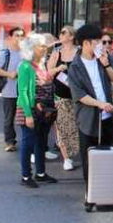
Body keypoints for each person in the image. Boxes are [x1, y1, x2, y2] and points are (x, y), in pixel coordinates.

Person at [68, 24, 113, 185]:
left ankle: (108, 191)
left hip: (108, 116)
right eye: (97, 41)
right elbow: (80, 95)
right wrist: (100, 104)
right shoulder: (75, 66)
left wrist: (106, 65)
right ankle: (91, 192)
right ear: (86, 43)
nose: (100, 45)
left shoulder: (105, 58)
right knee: (90, 157)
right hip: (88, 118)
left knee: (108, 155)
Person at [16, 33, 59, 188]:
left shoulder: (40, 64)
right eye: (41, 46)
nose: (45, 48)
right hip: (29, 110)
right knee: (28, 143)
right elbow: (23, 92)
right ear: (32, 48)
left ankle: (40, 173)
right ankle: (26, 176)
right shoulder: (25, 66)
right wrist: (28, 115)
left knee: (41, 142)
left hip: (43, 111)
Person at [47, 25, 80, 171]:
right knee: (60, 126)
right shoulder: (56, 52)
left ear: (71, 36)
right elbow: (48, 73)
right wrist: (58, 69)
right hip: (60, 96)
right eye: (60, 32)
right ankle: (66, 158)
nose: (60, 35)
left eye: (63, 33)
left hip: (78, 96)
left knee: (75, 126)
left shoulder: (79, 52)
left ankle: (76, 152)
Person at [0, 26, 25, 152]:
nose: (19, 38)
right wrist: (9, 74)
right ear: (11, 37)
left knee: (27, 117)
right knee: (9, 118)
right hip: (9, 91)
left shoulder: (26, 53)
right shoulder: (5, 53)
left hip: (24, 91)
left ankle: (28, 141)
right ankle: (10, 142)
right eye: (17, 36)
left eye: (21, 36)